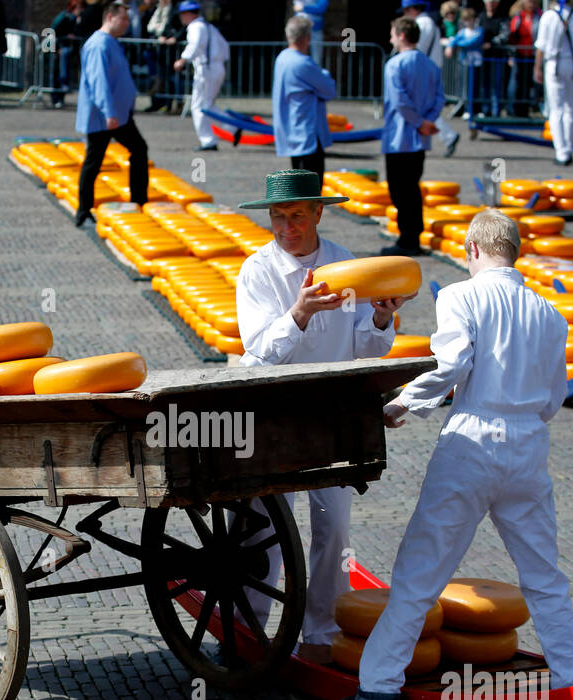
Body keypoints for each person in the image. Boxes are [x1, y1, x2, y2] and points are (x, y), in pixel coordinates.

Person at [337, 209, 573, 700]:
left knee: (422, 571)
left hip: (473, 439)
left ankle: (379, 690)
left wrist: (402, 404)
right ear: (513, 251)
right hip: (529, 442)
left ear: (473, 250)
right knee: (544, 574)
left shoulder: (458, 295)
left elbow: (451, 366)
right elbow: (554, 397)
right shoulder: (550, 313)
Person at [233, 169, 408, 664]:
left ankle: (322, 635)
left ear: (318, 214)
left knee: (334, 532)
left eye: (296, 216)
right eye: (278, 217)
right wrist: (299, 314)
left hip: (331, 414)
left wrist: (379, 317)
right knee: (265, 533)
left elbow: (365, 348)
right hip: (273, 414)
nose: (286, 226)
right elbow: (258, 352)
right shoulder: (257, 271)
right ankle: (248, 633)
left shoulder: (345, 264)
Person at [74, 1, 146, 227]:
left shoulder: (112, 43)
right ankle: (83, 211)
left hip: (119, 115)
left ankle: (139, 200)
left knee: (139, 149)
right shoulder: (98, 45)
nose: (127, 23)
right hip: (105, 116)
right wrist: (109, 112)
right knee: (93, 162)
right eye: (123, 19)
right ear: (110, 18)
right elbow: (99, 82)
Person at [381, 16, 444, 256]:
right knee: (412, 187)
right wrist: (428, 121)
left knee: (399, 189)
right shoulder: (430, 65)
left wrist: (419, 122)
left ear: (402, 36)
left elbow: (399, 101)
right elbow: (439, 97)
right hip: (420, 138)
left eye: (392, 34)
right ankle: (411, 235)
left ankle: (407, 238)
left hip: (400, 136)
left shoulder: (395, 65)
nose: (390, 39)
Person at [272, 14, 336, 183]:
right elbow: (329, 89)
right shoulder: (303, 63)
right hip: (307, 133)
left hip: (292, 129)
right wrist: (325, 75)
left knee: (299, 188)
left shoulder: (282, 58)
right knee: (312, 189)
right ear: (307, 38)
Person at [535, 0, 573, 166]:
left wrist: (537, 67)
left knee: (556, 108)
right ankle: (568, 147)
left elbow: (541, 47)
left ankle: (561, 151)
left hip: (555, 63)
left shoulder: (549, 16)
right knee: (571, 108)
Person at [173, 1, 227, 150]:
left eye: (182, 14)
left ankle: (208, 140)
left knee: (198, 107)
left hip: (206, 69)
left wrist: (182, 60)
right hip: (215, 67)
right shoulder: (209, 27)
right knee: (207, 105)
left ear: (189, 14)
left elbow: (194, 45)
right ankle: (232, 128)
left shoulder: (195, 27)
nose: (181, 18)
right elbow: (224, 47)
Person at [409, 1, 460, 154]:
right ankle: (448, 136)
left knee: (423, 108)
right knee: (425, 108)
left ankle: (448, 136)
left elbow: (416, 50)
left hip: (425, 71)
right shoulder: (427, 22)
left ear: (412, 9)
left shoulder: (423, 23)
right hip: (429, 69)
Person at [50, 0, 92, 108]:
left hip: (68, 50)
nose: (82, 11)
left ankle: (61, 97)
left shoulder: (76, 19)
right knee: (57, 74)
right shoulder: (63, 17)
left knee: (64, 67)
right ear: (74, 8)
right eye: (80, 8)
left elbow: (78, 32)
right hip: (57, 49)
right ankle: (56, 97)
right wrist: (55, 48)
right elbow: (52, 32)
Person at [507, 0, 540, 115]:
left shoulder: (538, 16)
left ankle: (525, 109)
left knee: (528, 83)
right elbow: (511, 37)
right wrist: (511, 55)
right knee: (515, 82)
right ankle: (512, 109)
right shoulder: (518, 17)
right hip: (519, 54)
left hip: (532, 55)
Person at [479, 0, 511, 116]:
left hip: (497, 57)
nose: (490, 5)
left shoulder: (502, 18)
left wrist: (491, 43)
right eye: (488, 2)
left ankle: (495, 111)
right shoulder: (481, 17)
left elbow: (505, 34)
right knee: (484, 84)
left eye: (493, 2)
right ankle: (485, 110)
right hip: (483, 58)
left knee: (496, 84)